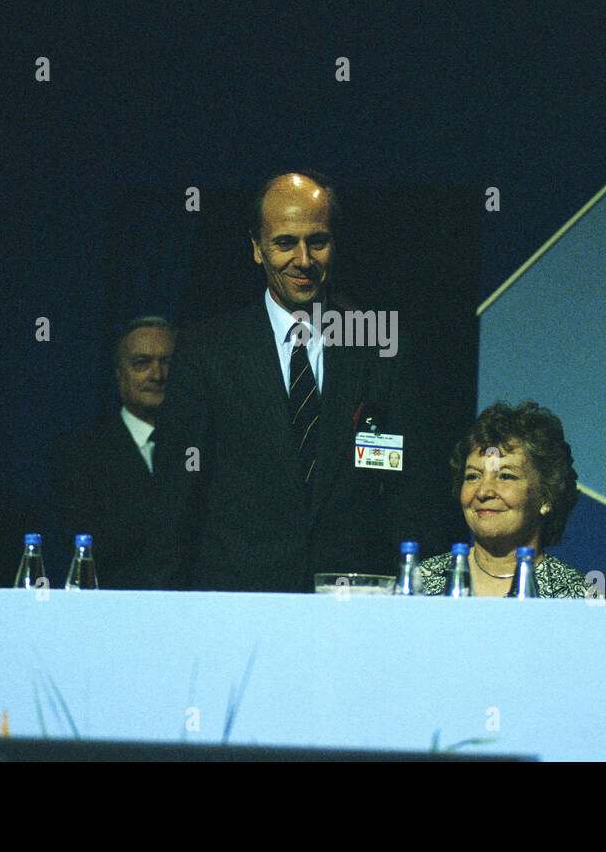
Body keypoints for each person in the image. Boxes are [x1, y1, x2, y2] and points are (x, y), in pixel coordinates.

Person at [148, 171, 420, 592]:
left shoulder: (378, 346)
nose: (304, 260)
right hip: (239, 604)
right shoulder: (207, 351)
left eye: (318, 241)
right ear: (257, 249)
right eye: (284, 243)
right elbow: (176, 501)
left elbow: (402, 488)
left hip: (349, 603)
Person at [48, 316, 175, 588]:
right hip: (113, 610)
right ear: (119, 375)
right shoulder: (78, 453)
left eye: (167, 362)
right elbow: (90, 542)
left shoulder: (206, 446)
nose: (157, 375)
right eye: (142, 363)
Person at [420, 401, 589, 597]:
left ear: (546, 497)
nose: (483, 492)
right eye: (473, 476)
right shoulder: (420, 583)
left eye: (506, 476)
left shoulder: (576, 597)